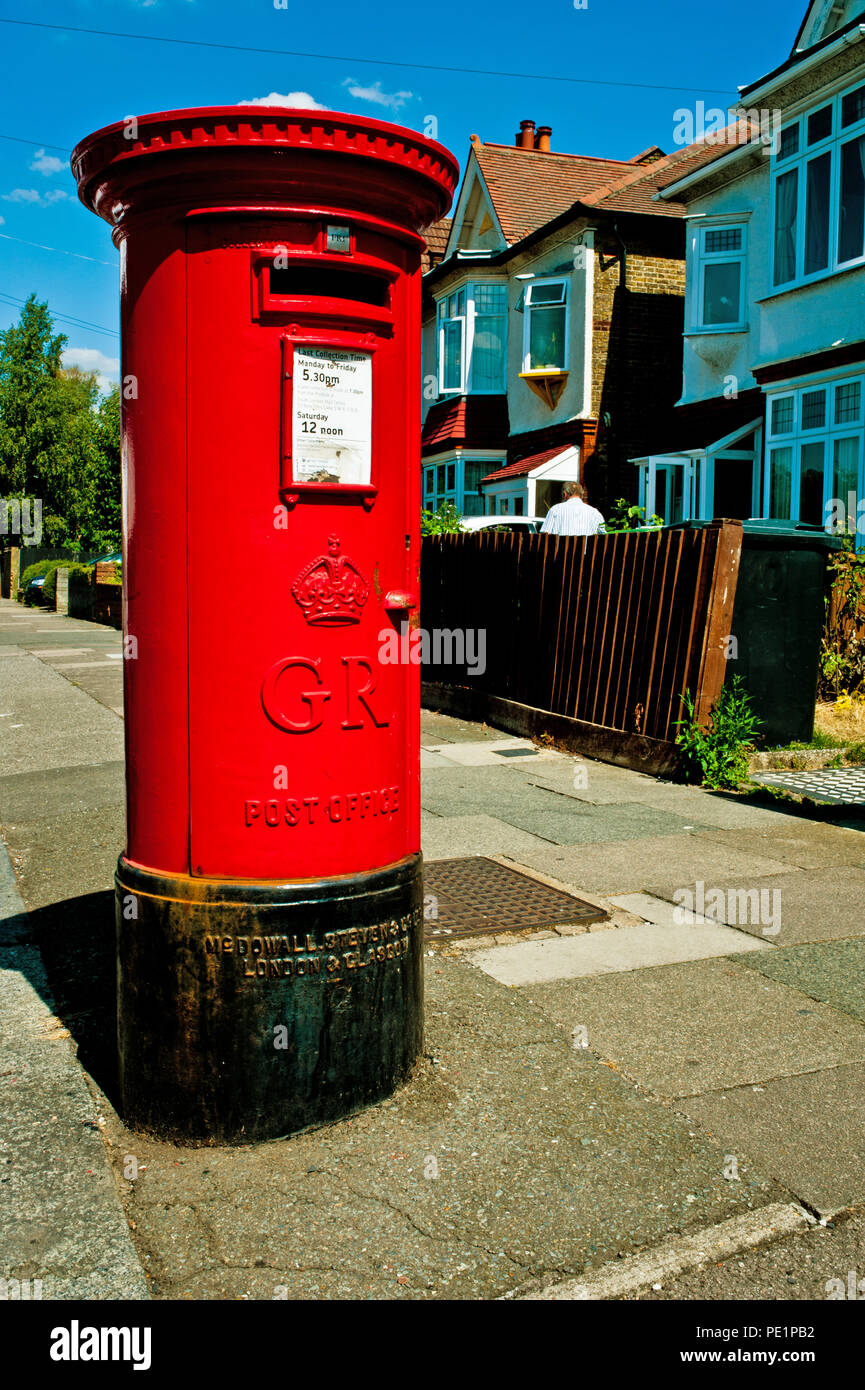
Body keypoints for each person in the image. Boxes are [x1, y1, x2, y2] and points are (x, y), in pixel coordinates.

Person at [541, 481, 605, 536]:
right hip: (586, 547)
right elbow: (604, 536)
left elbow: (545, 534)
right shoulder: (595, 513)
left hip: (560, 547)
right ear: (582, 495)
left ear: (565, 494)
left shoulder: (555, 509)